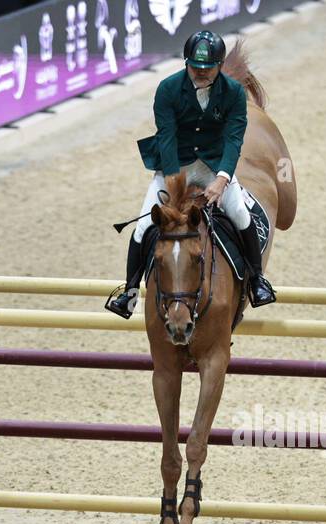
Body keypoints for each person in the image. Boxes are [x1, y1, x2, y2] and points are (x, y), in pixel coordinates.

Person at [106, 29, 275, 318]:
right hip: (176, 165)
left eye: (207, 68)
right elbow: (167, 137)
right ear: (186, 63)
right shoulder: (168, 89)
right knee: (144, 227)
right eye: (195, 67)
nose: (200, 73)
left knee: (241, 215)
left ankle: (257, 281)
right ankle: (130, 291)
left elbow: (234, 139)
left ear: (219, 66)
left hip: (213, 166)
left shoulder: (233, 93)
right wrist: (174, 184)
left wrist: (222, 180)